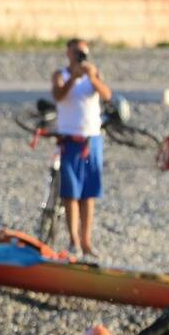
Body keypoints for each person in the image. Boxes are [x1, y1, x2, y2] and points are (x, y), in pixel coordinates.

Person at [50, 39, 113, 258]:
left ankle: (86, 241)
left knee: (89, 193)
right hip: (70, 139)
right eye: (77, 52)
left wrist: (92, 77)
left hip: (92, 139)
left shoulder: (93, 75)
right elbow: (57, 95)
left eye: (83, 53)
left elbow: (107, 95)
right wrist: (74, 78)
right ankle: (73, 240)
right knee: (71, 193)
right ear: (68, 53)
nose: (80, 56)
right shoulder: (61, 75)